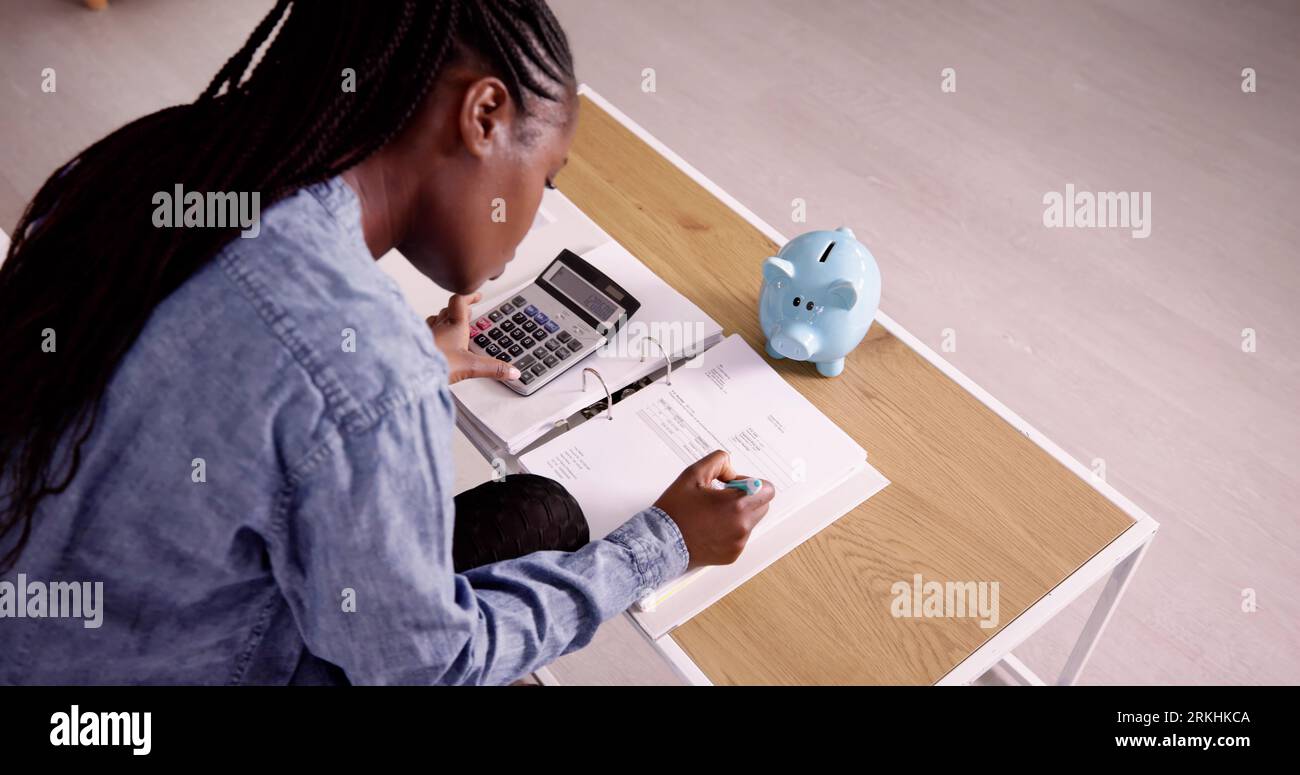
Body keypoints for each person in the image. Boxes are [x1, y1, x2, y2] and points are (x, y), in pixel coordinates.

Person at [0, 0, 773, 685]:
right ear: (484, 115)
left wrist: (380, 384)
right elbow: (425, 667)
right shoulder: (366, 369)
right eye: (549, 177)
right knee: (547, 539)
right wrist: (665, 542)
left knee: (532, 514)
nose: (539, 208)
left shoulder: (145, 165)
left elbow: (206, 369)